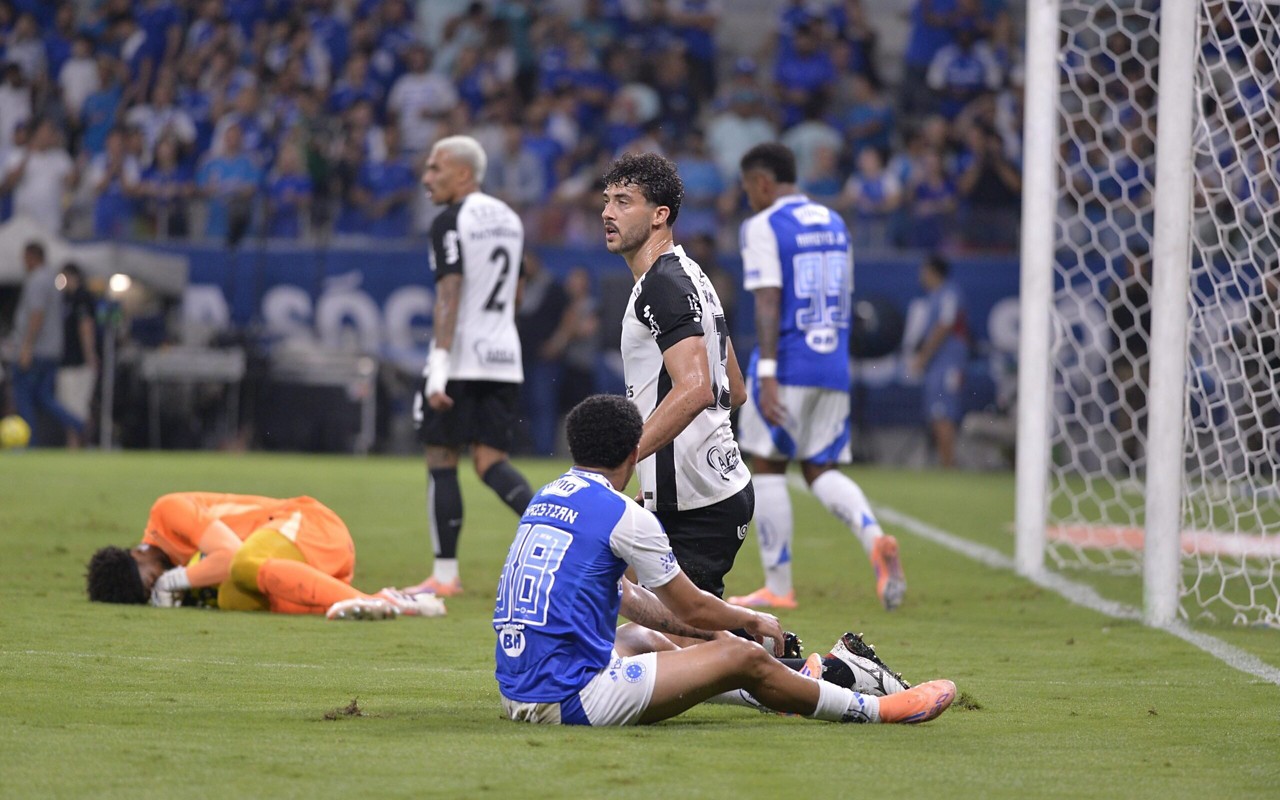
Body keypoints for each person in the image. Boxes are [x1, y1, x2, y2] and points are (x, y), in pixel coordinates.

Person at [493, 394, 956, 726]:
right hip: (572, 698)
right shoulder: (625, 515)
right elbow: (689, 605)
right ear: (636, 452)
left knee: (643, 635)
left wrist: (712, 634)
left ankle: (779, 685)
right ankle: (876, 711)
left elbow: (631, 600)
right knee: (741, 654)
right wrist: (749, 622)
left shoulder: (546, 496)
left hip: (519, 689)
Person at [730, 143, 905, 612]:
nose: (747, 198)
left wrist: (766, 373)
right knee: (820, 467)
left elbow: (767, 301)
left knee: (766, 465)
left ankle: (778, 585)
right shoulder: (834, 222)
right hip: (832, 362)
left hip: (786, 360)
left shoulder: (763, 226)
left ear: (764, 183)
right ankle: (874, 538)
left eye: (748, 188)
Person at [601, 152, 752, 599]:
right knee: (616, 608)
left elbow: (696, 388)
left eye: (624, 201)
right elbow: (735, 389)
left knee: (690, 655)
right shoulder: (691, 274)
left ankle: (832, 670)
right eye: (607, 200)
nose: (608, 213)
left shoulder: (662, 286)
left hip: (698, 507)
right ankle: (761, 642)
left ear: (659, 215)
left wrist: (626, 461)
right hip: (701, 491)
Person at [406, 135, 535, 598]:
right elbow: (517, 294)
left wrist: (439, 366)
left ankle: (444, 578)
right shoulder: (510, 218)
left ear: (463, 173)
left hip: (460, 357)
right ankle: (566, 539)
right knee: (491, 462)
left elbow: (450, 292)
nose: (426, 178)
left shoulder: (449, 220)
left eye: (435, 169)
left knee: (442, 458)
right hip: (504, 356)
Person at [85, 492, 444, 620]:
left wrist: (176, 580)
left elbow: (230, 556)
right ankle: (394, 600)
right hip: (312, 573)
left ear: (138, 553)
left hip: (311, 524)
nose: (158, 585)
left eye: (151, 579)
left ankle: (378, 601)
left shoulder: (167, 512)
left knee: (240, 568)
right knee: (230, 597)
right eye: (151, 592)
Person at [9, 241, 83, 447]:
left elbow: (37, 315)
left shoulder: (38, 280)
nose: (23, 262)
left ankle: (28, 441)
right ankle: (77, 423)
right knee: (43, 396)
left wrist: (26, 347)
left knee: (24, 396)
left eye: (24, 258)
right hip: (51, 350)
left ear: (32, 257)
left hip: (37, 351)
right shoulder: (52, 279)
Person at [912, 254, 970, 469]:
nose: (921, 276)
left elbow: (945, 325)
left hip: (948, 363)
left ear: (933, 272)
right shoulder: (934, 297)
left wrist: (923, 356)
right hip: (937, 365)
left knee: (943, 414)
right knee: (937, 415)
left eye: (924, 271)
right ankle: (945, 464)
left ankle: (949, 466)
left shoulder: (949, 294)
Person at [57, 263, 97, 450]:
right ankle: (72, 443)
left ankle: (83, 443)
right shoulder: (66, 298)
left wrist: (89, 356)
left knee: (78, 406)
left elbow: (86, 327)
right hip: (66, 360)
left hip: (79, 361)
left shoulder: (82, 298)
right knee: (67, 406)